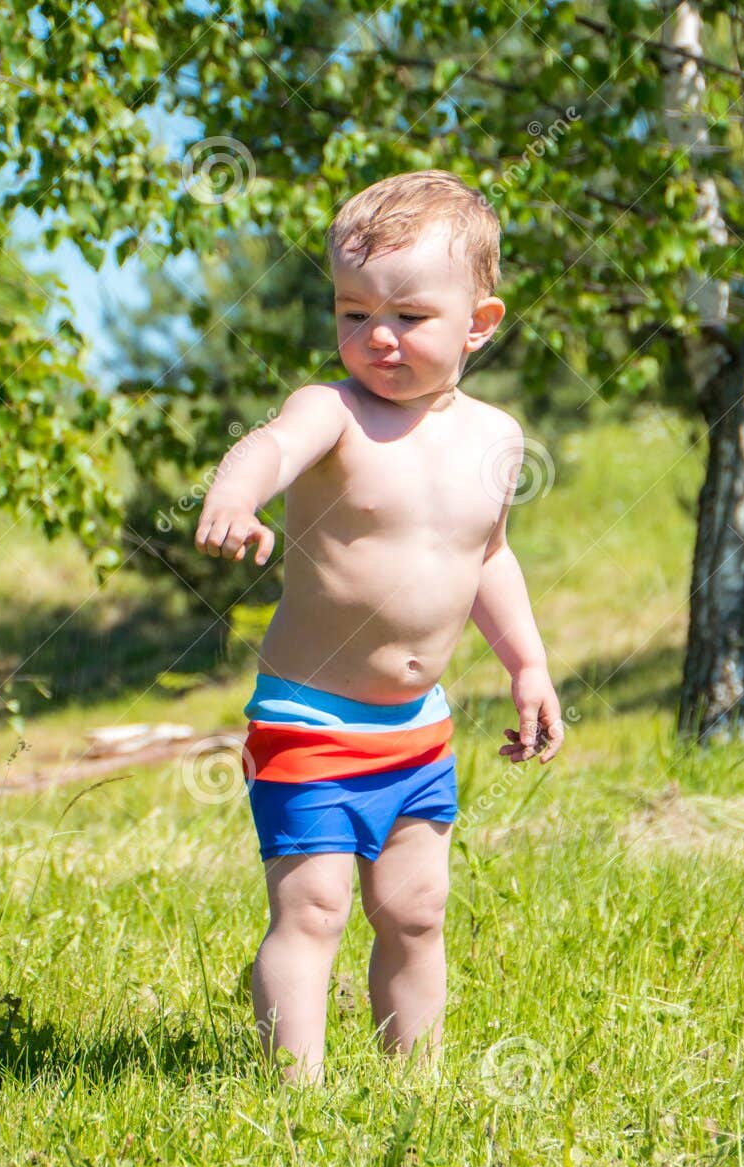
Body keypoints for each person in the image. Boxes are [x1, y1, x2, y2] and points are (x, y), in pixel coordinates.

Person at [195, 169, 564, 1082]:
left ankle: (414, 1080)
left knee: (415, 908)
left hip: (416, 730)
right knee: (314, 906)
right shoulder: (336, 412)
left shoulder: (496, 438)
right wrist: (236, 493)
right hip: (310, 721)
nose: (376, 337)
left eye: (408, 316)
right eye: (353, 313)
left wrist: (526, 666)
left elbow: (488, 558)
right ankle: (297, 1089)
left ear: (480, 323)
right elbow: (272, 445)